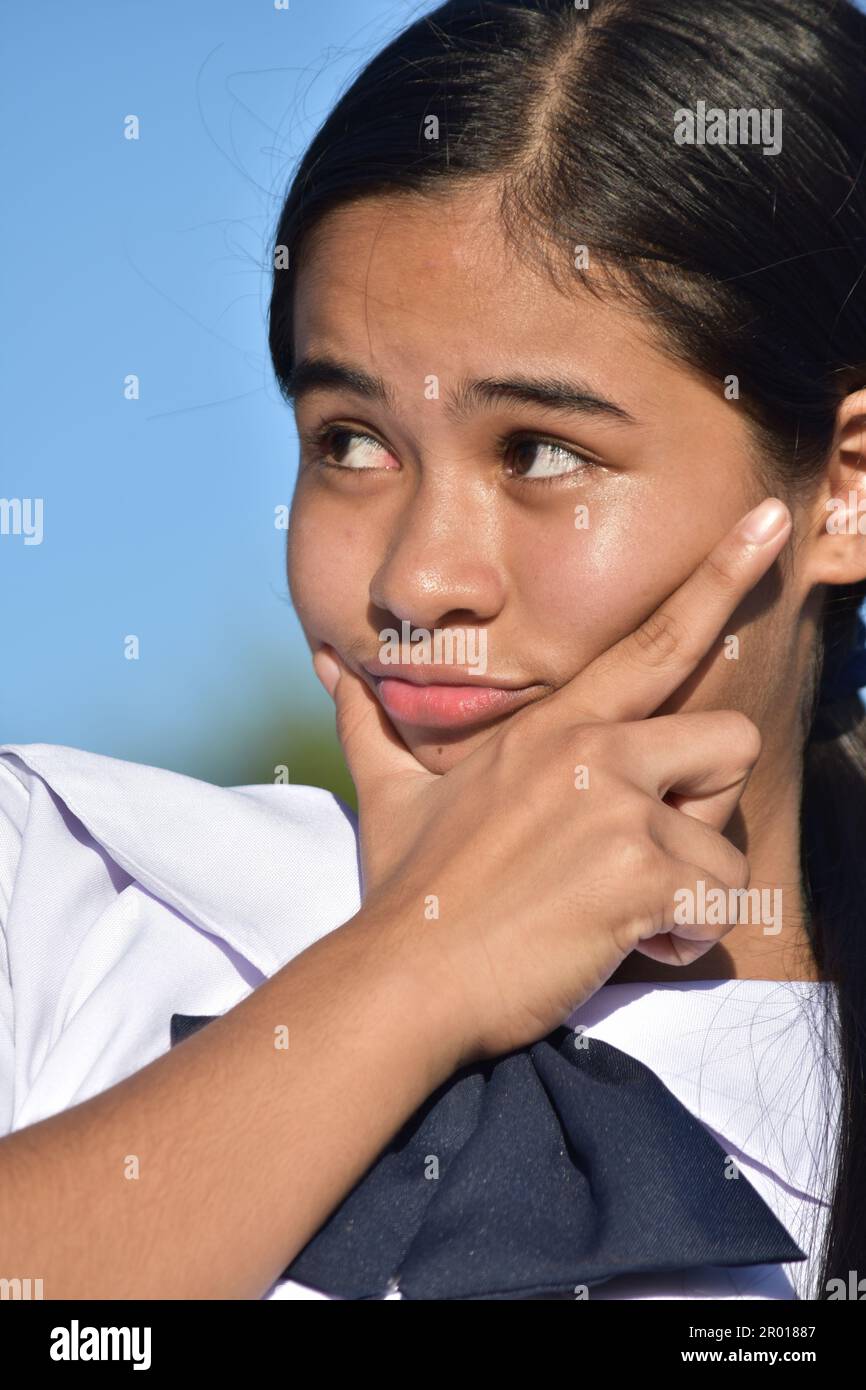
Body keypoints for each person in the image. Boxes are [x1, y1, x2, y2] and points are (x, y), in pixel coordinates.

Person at [1, 0, 864, 1301]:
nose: (414, 578)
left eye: (540, 452)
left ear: (840, 488)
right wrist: (420, 959)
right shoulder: (67, 880)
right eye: (349, 440)